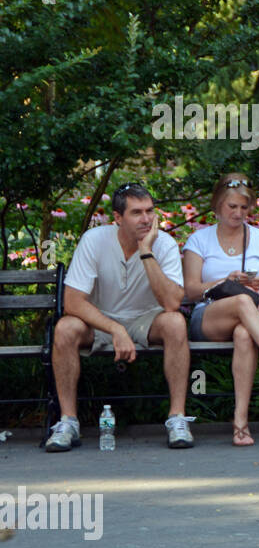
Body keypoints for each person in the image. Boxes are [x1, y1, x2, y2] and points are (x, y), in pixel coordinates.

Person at [46, 182, 194, 450]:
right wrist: (116, 329)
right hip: (99, 320)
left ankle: (177, 419)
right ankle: (68, 422)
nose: (146, 219)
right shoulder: (95, 240)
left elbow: (172, 303)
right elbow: (72, 302)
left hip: (146, 319)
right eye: (137, 213)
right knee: (65, 328)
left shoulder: (165, 244)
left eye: (150, 211)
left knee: (175, 323)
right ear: (118, 218)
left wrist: (146, 251)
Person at [183, 174, 259, 447]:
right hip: (211, 314)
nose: (238, 213)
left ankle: (241, 423)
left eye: (244, 208)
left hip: (257, 314)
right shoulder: (199, 240)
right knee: (241, 302)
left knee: (244, 333)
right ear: (217, 206)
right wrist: (226, 283)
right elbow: (190, 291)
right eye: (231, 207)